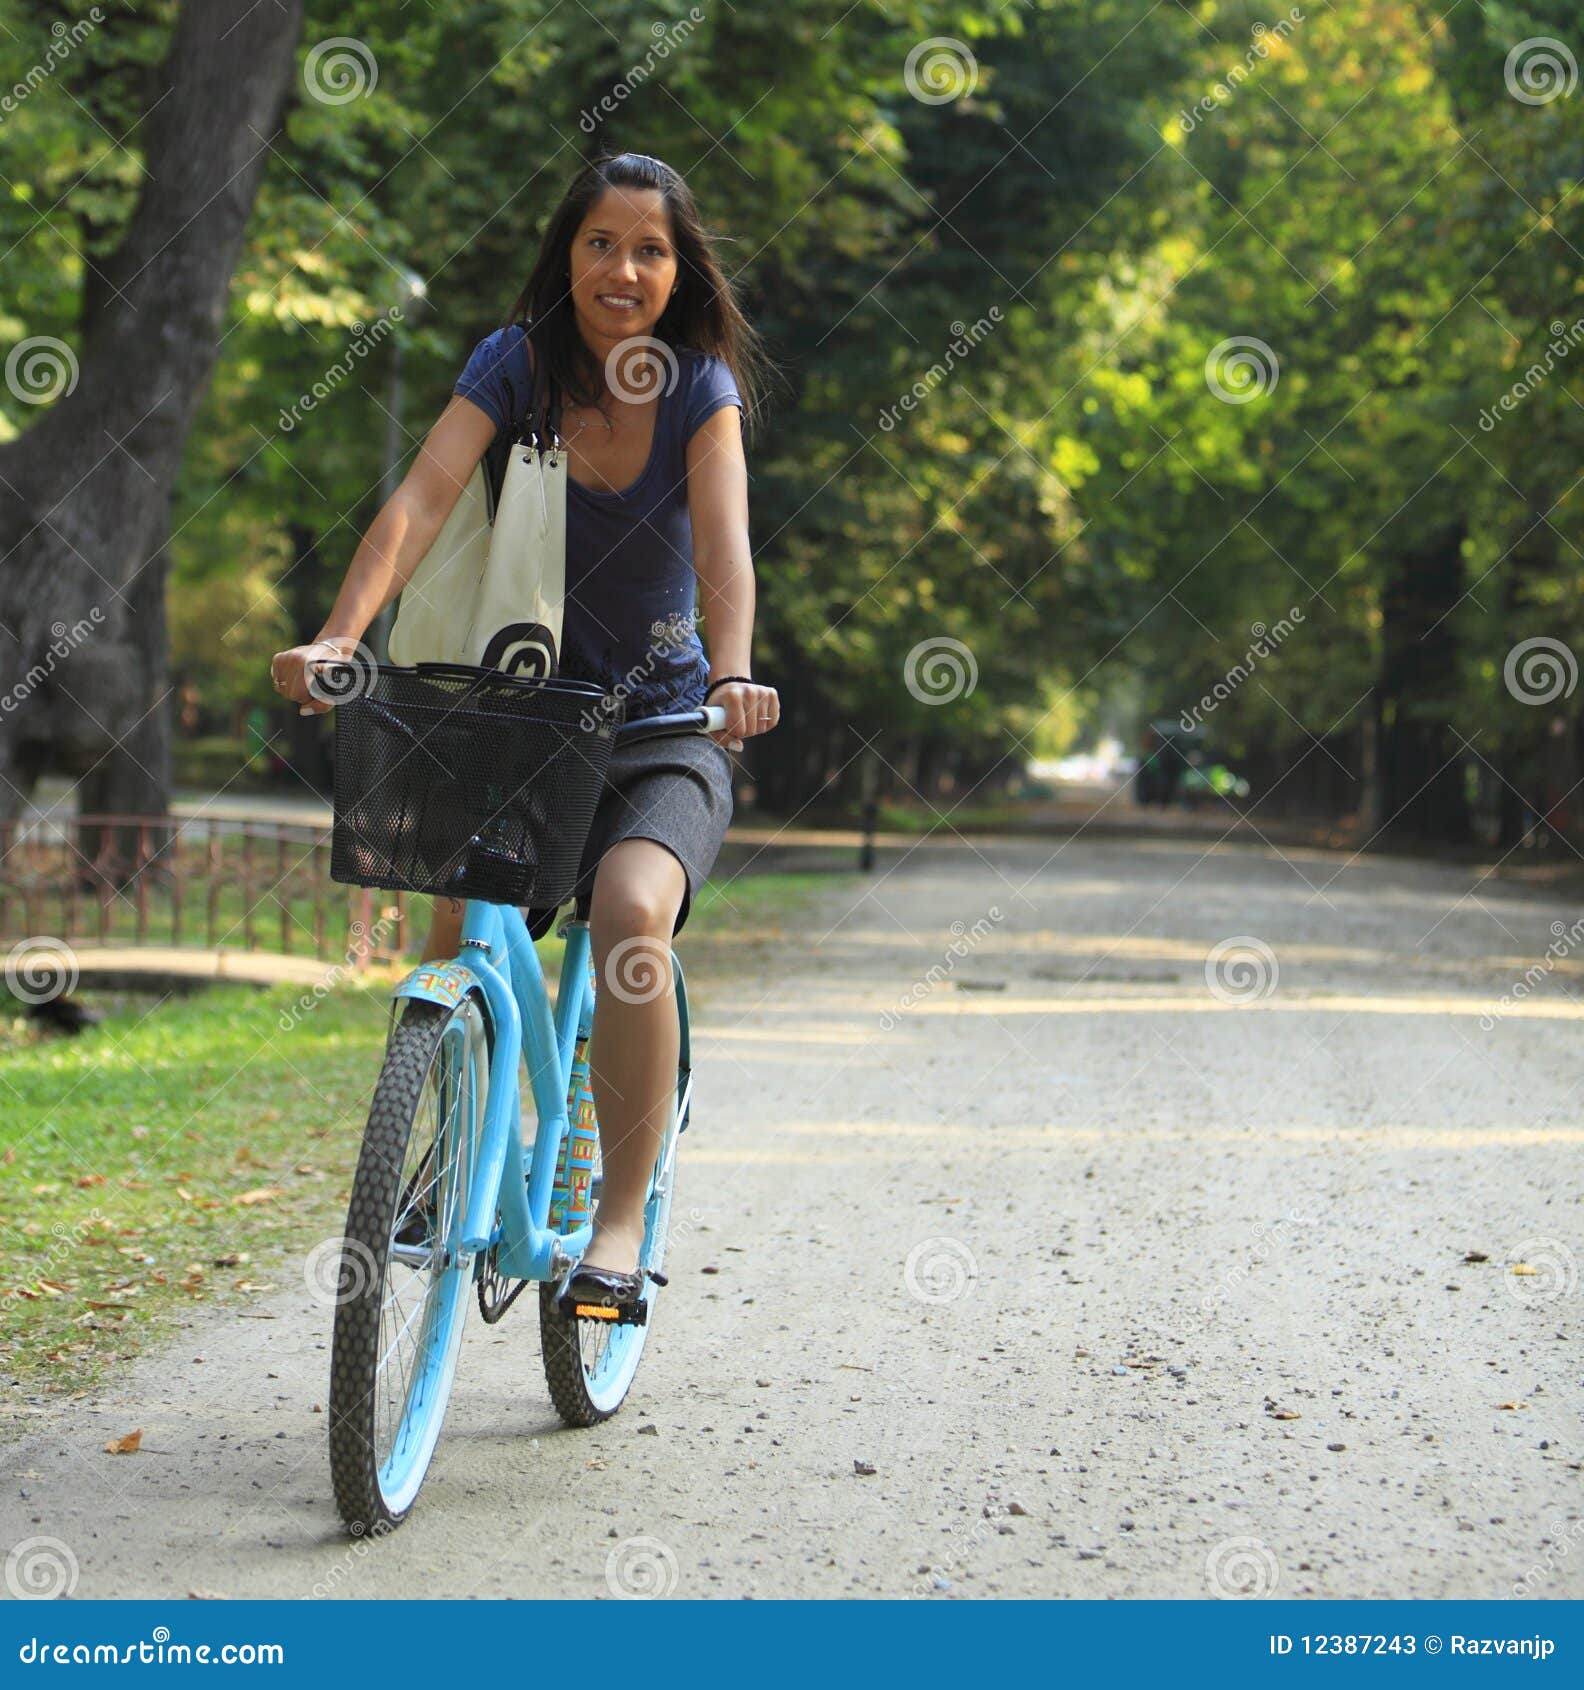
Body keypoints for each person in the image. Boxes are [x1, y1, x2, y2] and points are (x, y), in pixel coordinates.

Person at [270, 152, 780, 1311]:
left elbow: (724, 551)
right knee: (458, 907)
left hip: (661, 729)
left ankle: (611, 1231)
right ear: (567, 255)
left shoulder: (699, 387)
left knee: (631, 915)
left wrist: (738, 672)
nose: (624, 268)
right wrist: (343, 634)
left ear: (676, 272)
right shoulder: (516, 366)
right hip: (523, 720)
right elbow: (419, 501)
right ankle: (453, 1157)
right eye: (601, 242)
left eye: (650, 249)